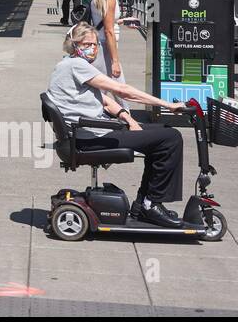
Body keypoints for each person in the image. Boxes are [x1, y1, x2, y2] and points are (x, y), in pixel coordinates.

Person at [48, 21, 188, 228]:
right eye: (87, 44)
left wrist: (129, 119)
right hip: (90, 137)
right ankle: (152, 203)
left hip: (88, 133)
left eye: (95, 44)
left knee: (161, 133)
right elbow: (122, 91)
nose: (93, 49)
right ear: (74, 44)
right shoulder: (76, 65)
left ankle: (144, 204)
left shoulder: (68, 64)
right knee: (171, 138)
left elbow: (104, 100)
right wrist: (166, 104)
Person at [89, 0, 134, 83]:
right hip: (106, 48)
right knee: (121, 92)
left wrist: (123, 21)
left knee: (103, 92)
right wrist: (115, 61)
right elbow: (109, 31)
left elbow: (104, 21)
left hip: (101, 45)